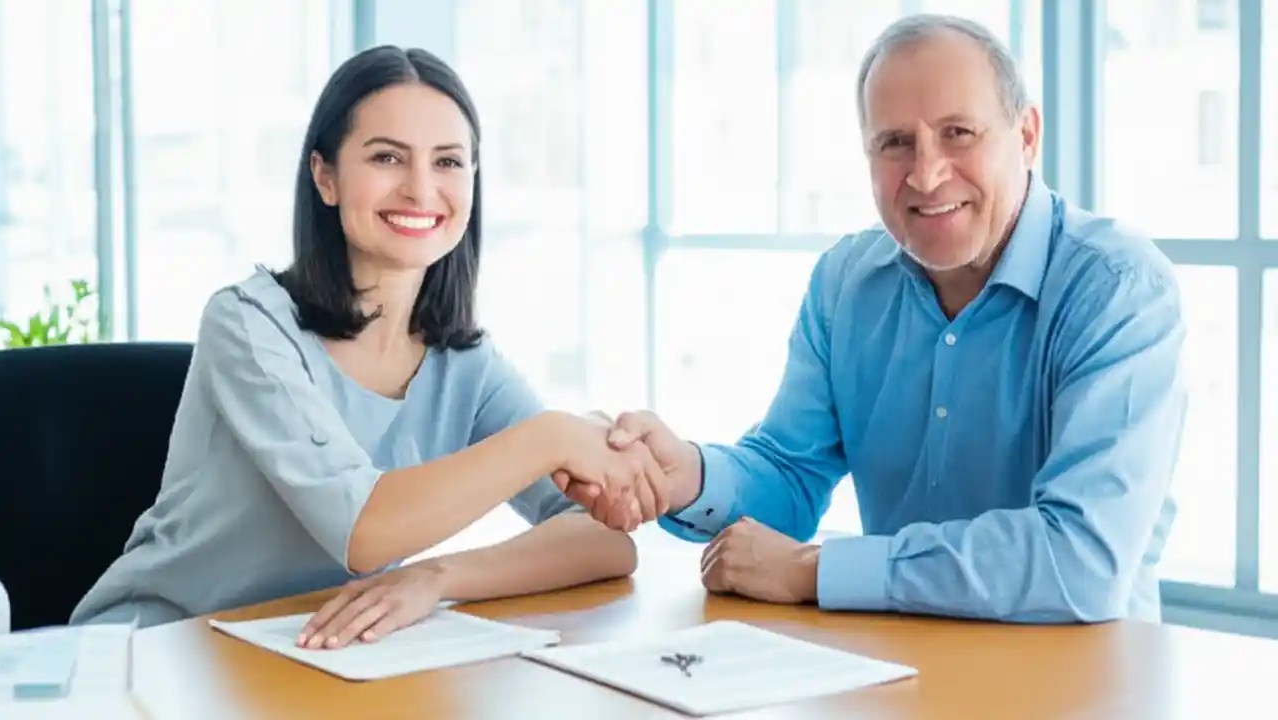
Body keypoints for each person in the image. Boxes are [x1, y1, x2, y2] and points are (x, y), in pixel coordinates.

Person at [569, 15, 1187, 623]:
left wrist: (816, 572)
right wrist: (687, 476)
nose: (926, 173)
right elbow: (789, 473)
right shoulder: (847, 282)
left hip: (1083, 684)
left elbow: (1081, 561)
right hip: (898, 673)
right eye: (895, 143)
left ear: (1026, 135)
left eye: (958, 133)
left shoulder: (1117, 289)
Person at [71, 46, 669, 648]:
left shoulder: (466, 365)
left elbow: (603, 541)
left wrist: (437, 577)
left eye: (449, 162)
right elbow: (362, 530)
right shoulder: (249, 324)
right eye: (387, 157)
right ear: (325, 176)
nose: (420, 189)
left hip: (315, 652)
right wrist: (553, 437)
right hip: (158, 651)